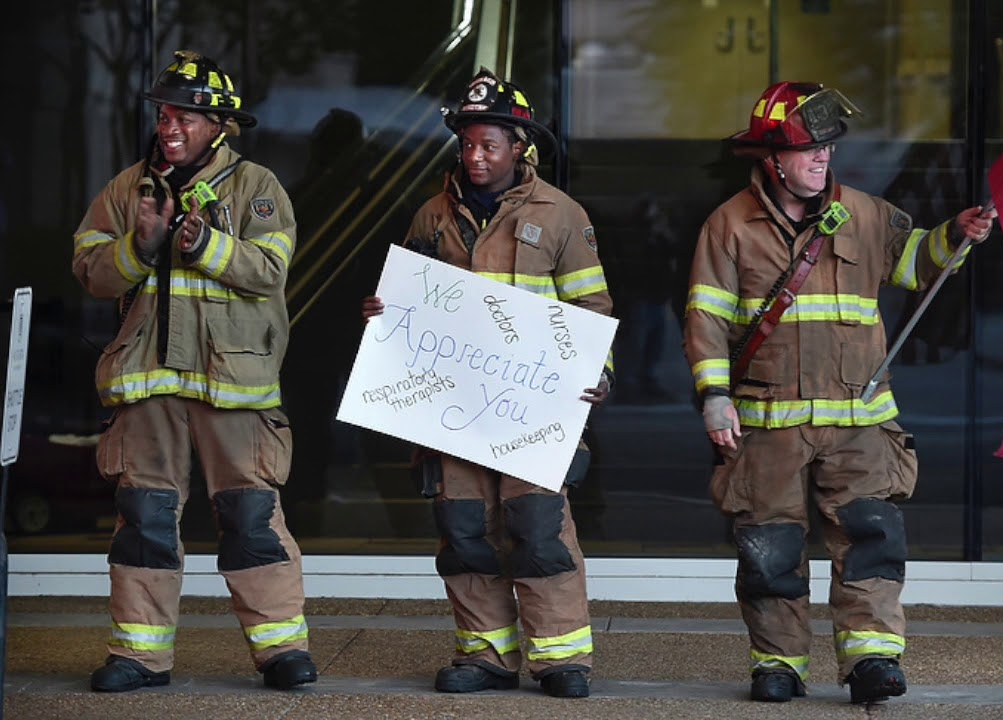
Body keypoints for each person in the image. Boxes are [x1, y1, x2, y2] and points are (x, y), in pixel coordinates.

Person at [683, 81, 996, 704]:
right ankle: (778, 665)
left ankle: (873, 659)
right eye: (807, 151)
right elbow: (706, 319)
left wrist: (953, 235)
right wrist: (714, 397)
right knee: (769, 550)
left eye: (826, 148)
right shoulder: (729, 227)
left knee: (872, 542)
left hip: (859, 421)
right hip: (768, 423)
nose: (822, 159)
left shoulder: (867, 212)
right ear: (771, 160)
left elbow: (912, 262)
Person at [361, 68, 613, 698]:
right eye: (467, 144)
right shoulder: (431, 215)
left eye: (488, 145)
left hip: (532, 405)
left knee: (539, 528)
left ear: (519, 147)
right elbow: (408, 305)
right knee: (467, 531)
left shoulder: (561, 215)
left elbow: (591, 310)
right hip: (453, 409)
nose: (474, 156)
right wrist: (383, 313)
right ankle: (485, 656)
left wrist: (596, 373)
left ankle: (561, 659)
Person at [71, 50, 316, 692]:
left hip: (233, 389)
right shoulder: (129, 189)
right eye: (164, 114)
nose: (170, 126)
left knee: (251, 520)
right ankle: (140, 657)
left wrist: (202, 244)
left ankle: (281, 652)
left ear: (219, 124)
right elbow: (90, 271)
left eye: (185, 115)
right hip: (149, 385)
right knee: (145, 522)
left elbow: (268, 270)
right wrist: (139, 246)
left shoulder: (257, 187)